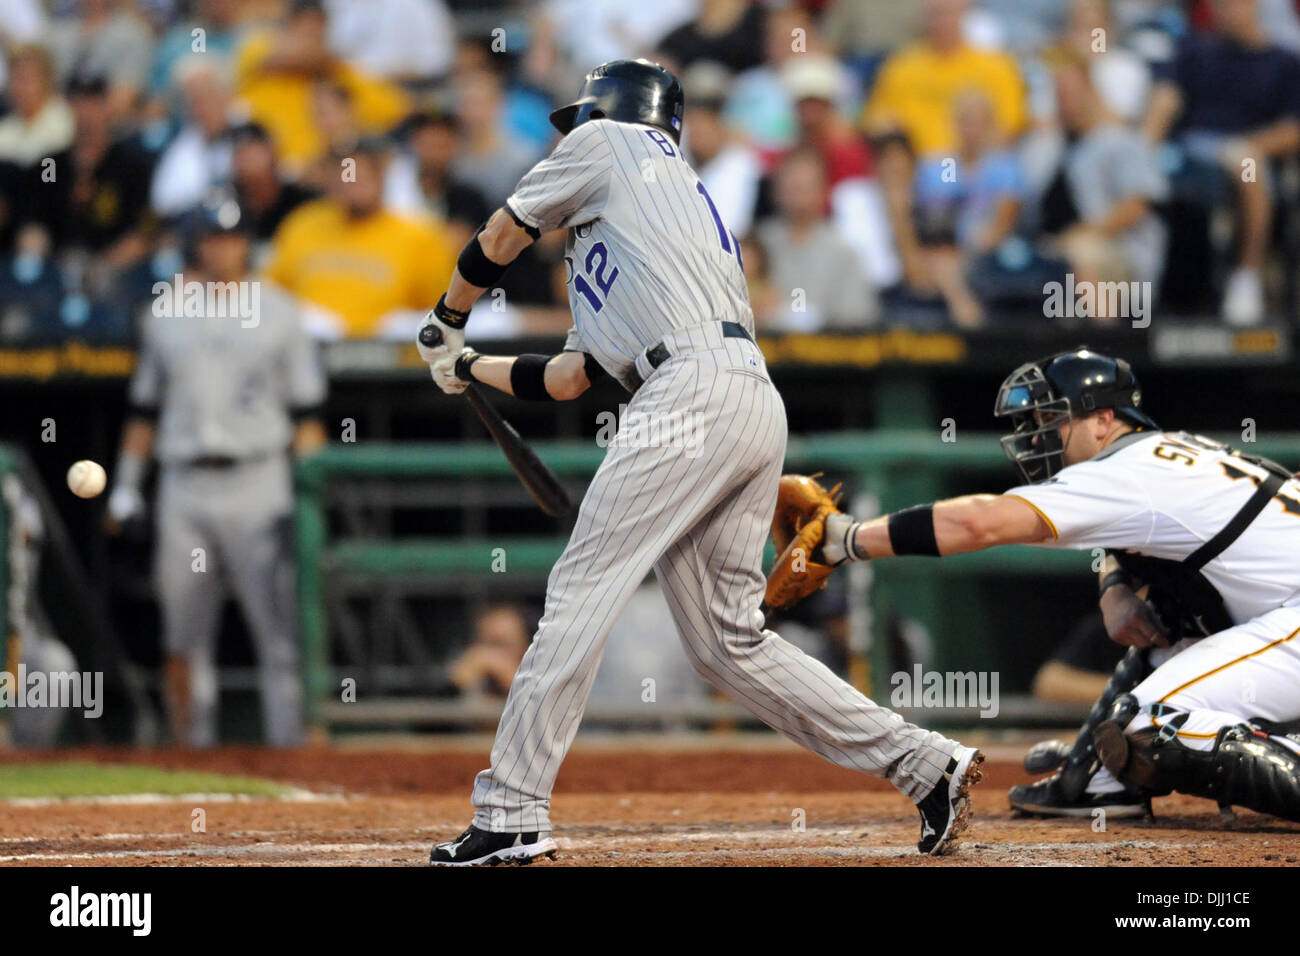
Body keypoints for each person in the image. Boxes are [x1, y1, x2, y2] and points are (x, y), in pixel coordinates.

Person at [418, 59, 984, 866]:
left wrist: (447, 314)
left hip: (686, 392)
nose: (571, 131)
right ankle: (926, 764)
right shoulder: (639, 220)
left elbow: (503, 231)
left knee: (581, 589)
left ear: (613, 110)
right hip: (739, 396)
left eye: (581, 116)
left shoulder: (615, 141)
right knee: (728, 641)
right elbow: (572, 376)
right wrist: (468, 366)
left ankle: (510, 809)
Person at [805, 347, 1300, 823]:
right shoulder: (1161, 455)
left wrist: (847, 539)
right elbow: (1129, 536)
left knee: (1149, 726)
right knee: (1164, 630)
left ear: (1104, 420)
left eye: (1052, 420)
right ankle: (1103, 783)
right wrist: (1115, 590)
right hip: (1281, 613)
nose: (1038, 436)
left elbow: (978, 525)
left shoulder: (1124, 473)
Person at [107, 195, 327, 747]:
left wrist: (307, 494)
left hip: (260, 478)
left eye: (231, 237)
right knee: (182, 633)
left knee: (279, 632)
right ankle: (191, 758)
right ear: (196, 243)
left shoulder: (280, 309)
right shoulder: (163, 313)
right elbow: (144, 411)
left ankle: (295, 753)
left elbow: (308, 416)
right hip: (184, 481)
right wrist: (126, 488)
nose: (222, 248)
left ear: (245, 242)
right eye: (212, 237)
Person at [1142, 0, 1300, 326]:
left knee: (1248, 164)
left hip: (1248, 152)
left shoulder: (1282, 62)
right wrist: (1142, 151)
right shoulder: (1195, 52)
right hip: (1188, 150)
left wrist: (1245, 146)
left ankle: (1247, 276)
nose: (1224, 11)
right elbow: (1166, 98)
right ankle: (1149, 290)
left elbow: (1294, 129)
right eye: (1219, 5)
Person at [263, 138, 456, 339]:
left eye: (360, 176)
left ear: (379, 177)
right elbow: (274, 292)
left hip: (388, 353)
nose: (352, 185)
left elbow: (443, 311)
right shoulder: (302, 225)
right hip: (310, 347)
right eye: (345, 177)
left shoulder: (420, 234)